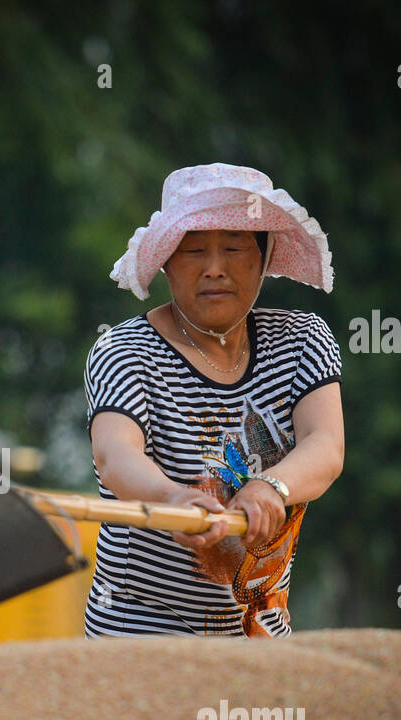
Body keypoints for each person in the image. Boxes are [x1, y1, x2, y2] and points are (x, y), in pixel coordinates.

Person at [86, 162, 344, 638]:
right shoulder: (123, 350)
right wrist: (173, 499)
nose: (214, 269)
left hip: (259, 633)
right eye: (194, 251)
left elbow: (326, 447)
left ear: (263, 259)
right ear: (165, 261)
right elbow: (115, 455)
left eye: (233, 249)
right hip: (142, 634)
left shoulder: (303, 341)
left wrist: (273, 487)